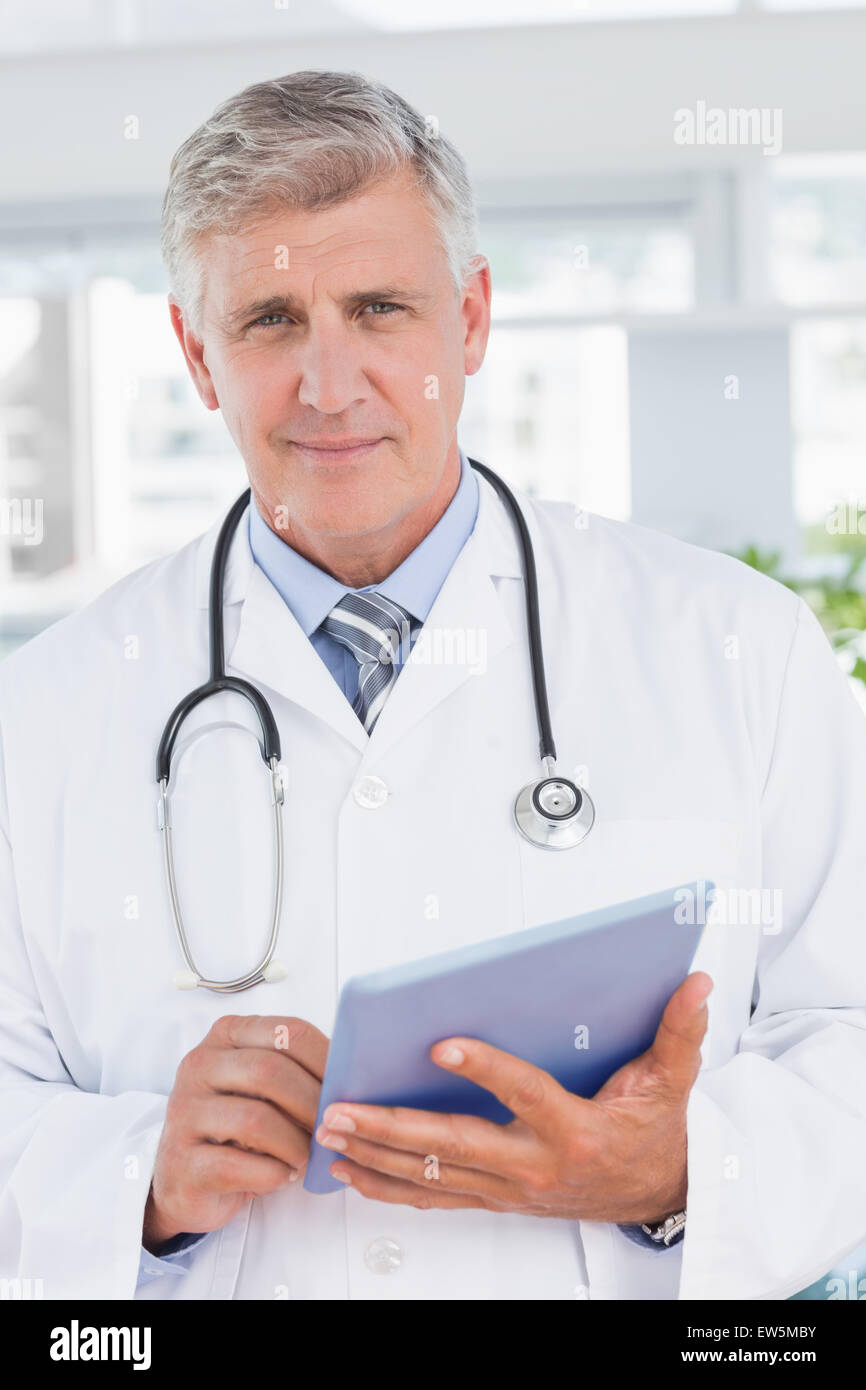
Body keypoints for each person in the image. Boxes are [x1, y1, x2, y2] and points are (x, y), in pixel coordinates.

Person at [0, 70, 864, 1302]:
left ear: (468, 320)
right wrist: (138, 1180)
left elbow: (850, 1030)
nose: (329, 382)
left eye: (377, 308)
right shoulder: (46, 715)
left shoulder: (736, 648)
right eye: (269, 321)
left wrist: (680, 1169)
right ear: (197, 354)